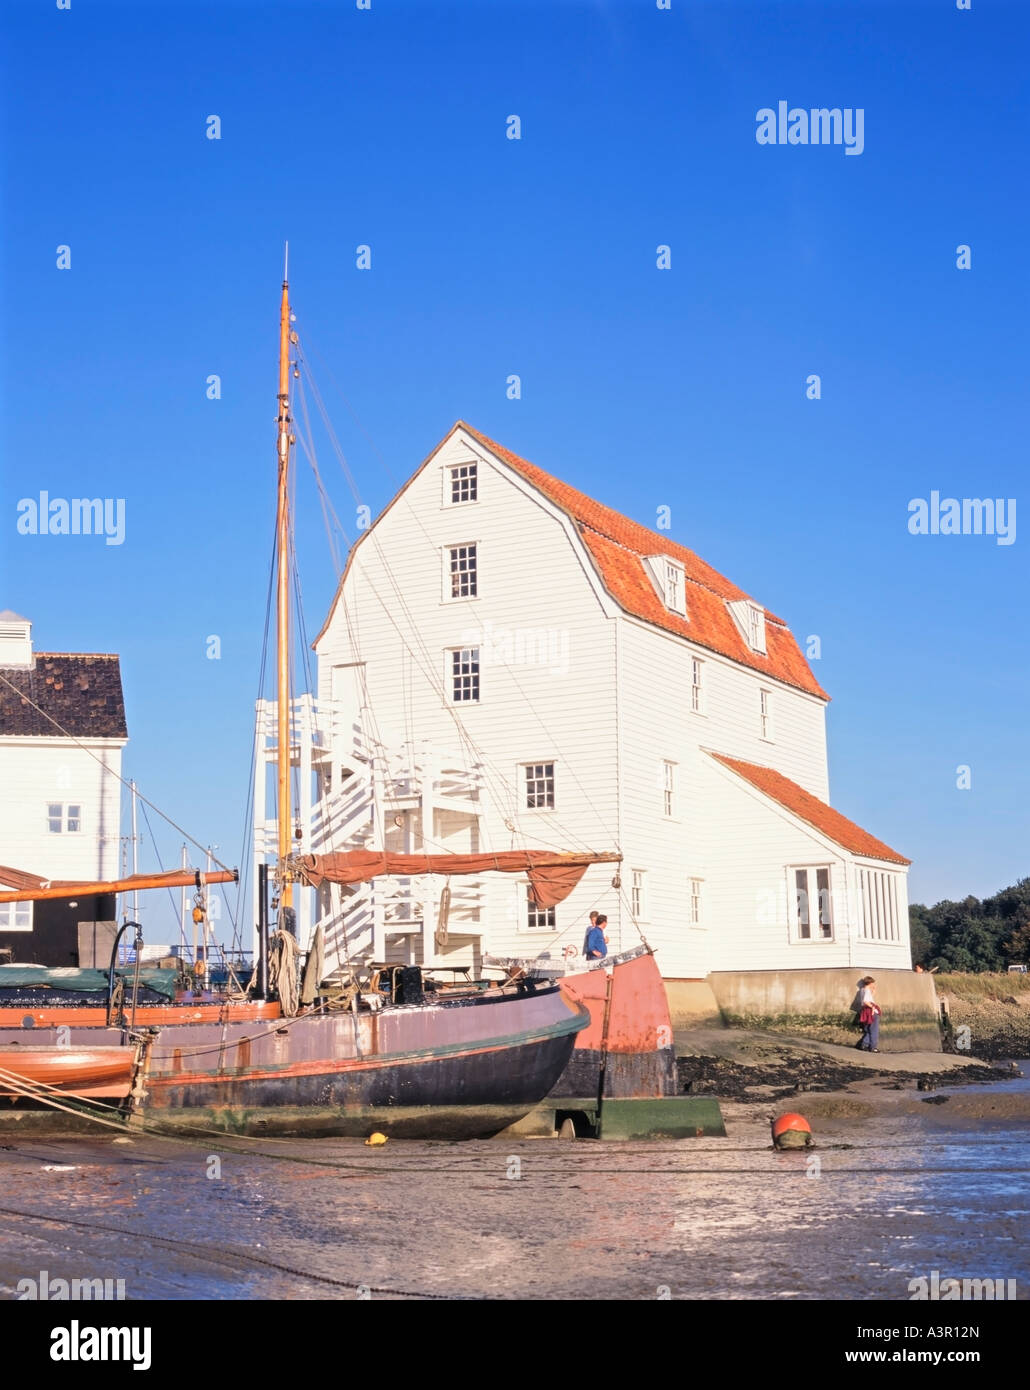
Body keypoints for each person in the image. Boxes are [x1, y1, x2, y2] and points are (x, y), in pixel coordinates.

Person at [856, 976, 881, 1052]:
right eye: (873, 983)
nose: (873, 984)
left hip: (865, 1011)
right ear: (870, 983)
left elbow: (866, 999)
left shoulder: (862, 990)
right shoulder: (867, 990)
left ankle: (863, 1044)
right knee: (874, 1029)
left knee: (868, 1029)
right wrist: (872, 1007)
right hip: (870, 1011)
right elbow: (865, 1001)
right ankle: (873, 1047)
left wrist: (872, 993)